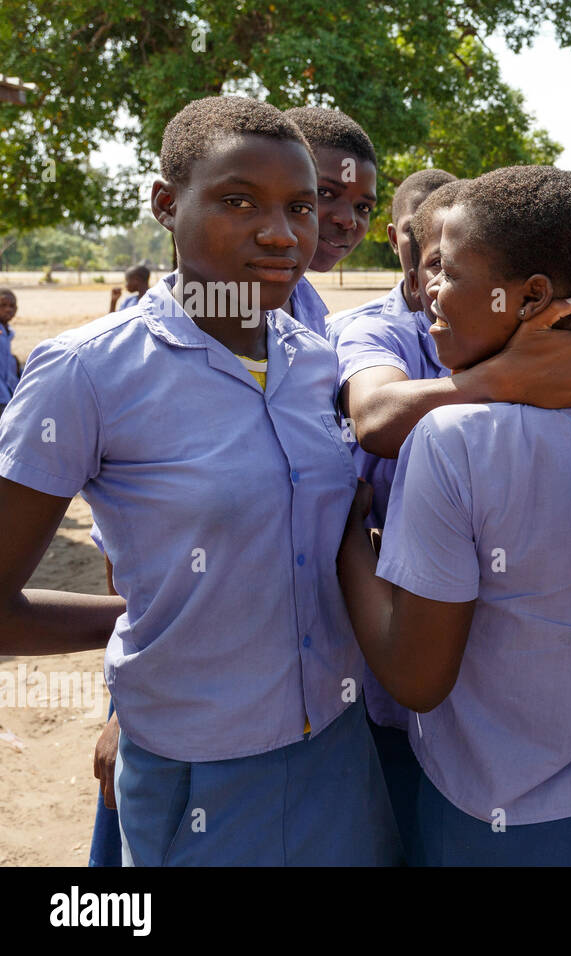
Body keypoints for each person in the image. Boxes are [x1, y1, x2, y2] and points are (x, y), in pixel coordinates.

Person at [0, 95, 400, 866]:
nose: (282, 233)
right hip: (200, 774)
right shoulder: (87, 373)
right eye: (238, 201)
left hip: (340, 757)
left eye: (302, 207)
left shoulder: (321, 365)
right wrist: (143, 623)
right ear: (165, 203)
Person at [338, 165, 571, 866]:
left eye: (450, 271)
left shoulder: (454, 437)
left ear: (529, 299)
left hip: (481, 822)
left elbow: (415, 679)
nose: (428, 289)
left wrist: (345, 544)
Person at [326, 167, 456, 348]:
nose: (432, 245)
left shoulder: (497, 333)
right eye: (413, 231)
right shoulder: (340, 333)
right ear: (394, 239)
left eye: (448, 231)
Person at [281, 106, 379, 338]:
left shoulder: (304, 303)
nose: (348, 220)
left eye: (363, 207)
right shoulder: (215, 303)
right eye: (324, 192)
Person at [0, 288, 19, 413]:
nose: (8, 309)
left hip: (7, 394)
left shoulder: (8, 333)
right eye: (3, 305)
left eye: (12, 306)